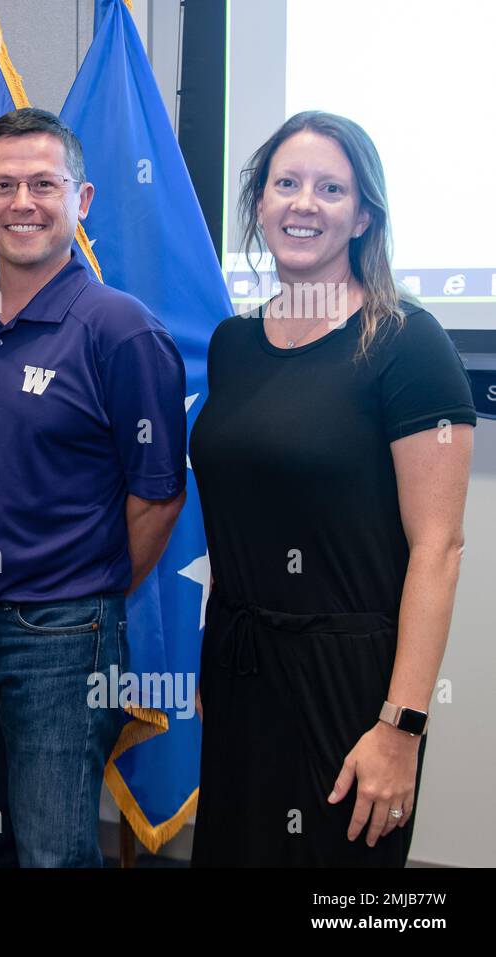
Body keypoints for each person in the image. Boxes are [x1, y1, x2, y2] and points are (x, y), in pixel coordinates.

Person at [190, 111, 475, 866]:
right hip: (242, 668)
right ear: (258, 205)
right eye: (285, 184)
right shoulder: (233, 345)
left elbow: (438, 548)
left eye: (330, 188)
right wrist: (213, 651)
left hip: (352, 692)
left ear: (363, 215)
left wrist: (402, 726)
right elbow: (241, 510)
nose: (303, 204)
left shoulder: (408, 343)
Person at [0, 108, 187, 867]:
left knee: (54, 852)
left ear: (84, 199)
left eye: (44, 183)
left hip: (62, 642)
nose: (23, 202)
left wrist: (84, 595)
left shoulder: (123, 330)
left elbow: (158, 495)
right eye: (3, 185)